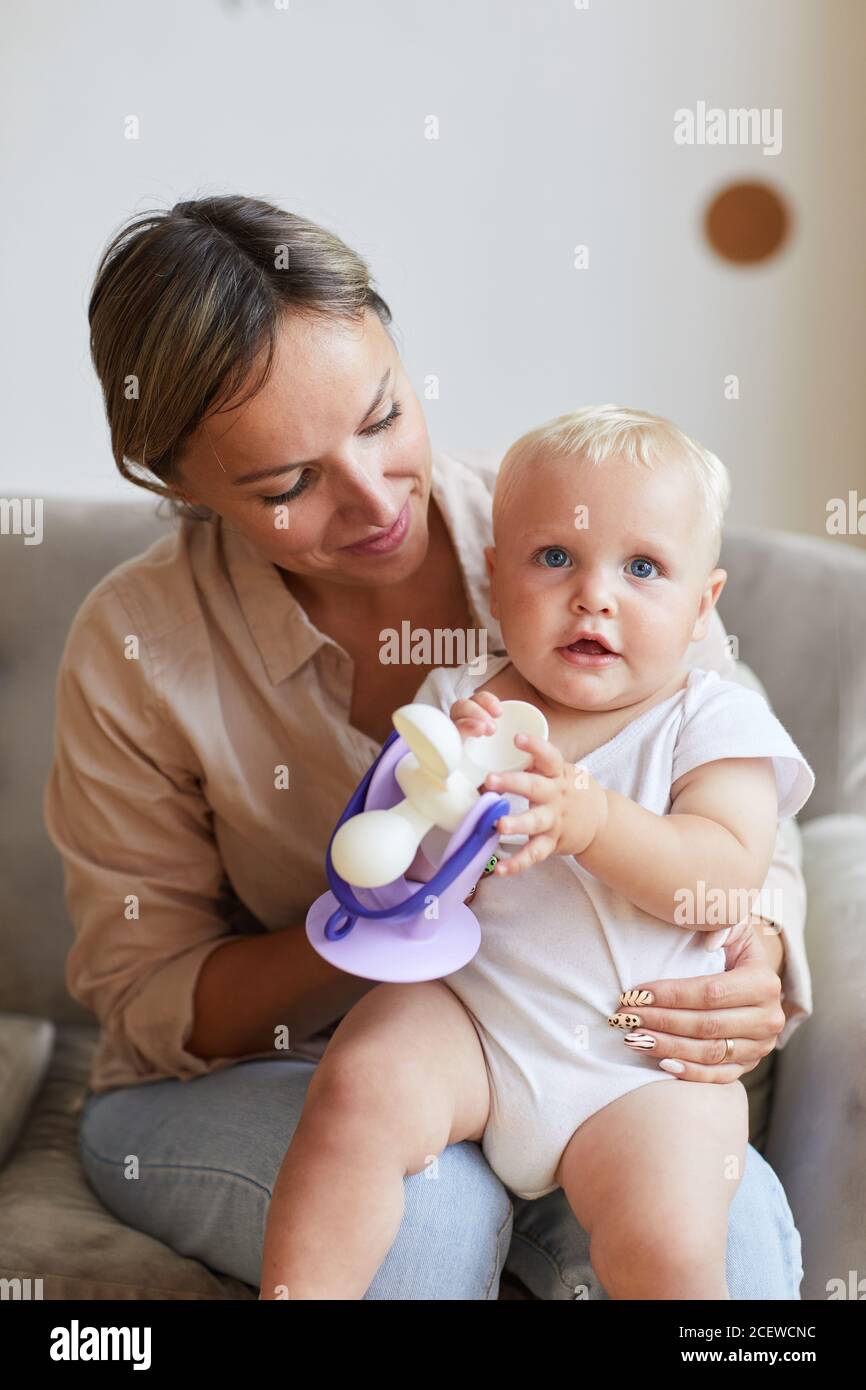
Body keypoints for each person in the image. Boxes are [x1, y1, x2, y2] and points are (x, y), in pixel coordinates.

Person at [44, 196, 809, 1300]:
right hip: (292, 1067)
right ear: (181, 490)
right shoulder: (136, 649)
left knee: (716, 1227)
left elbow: (739, 812)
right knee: (428, 1207)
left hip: (595, 1048)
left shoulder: (584, 525)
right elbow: (150, 992)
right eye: (286, 484)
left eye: (381, 415)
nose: (369, 500)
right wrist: (383, 918)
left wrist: (759, 957)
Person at [257, 406, 814, 1299]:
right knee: (357, 1087)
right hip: (475, 1028)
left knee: (672, 1237)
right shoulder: (458, 700)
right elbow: (407, 877)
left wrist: (591, 821)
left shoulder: (714, 720)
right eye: (555, 558)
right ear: (496, 574)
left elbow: (722, 876)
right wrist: (435, 806)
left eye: (642, 568)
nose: (595, 594)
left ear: (703, 604)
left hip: (642, 1062)